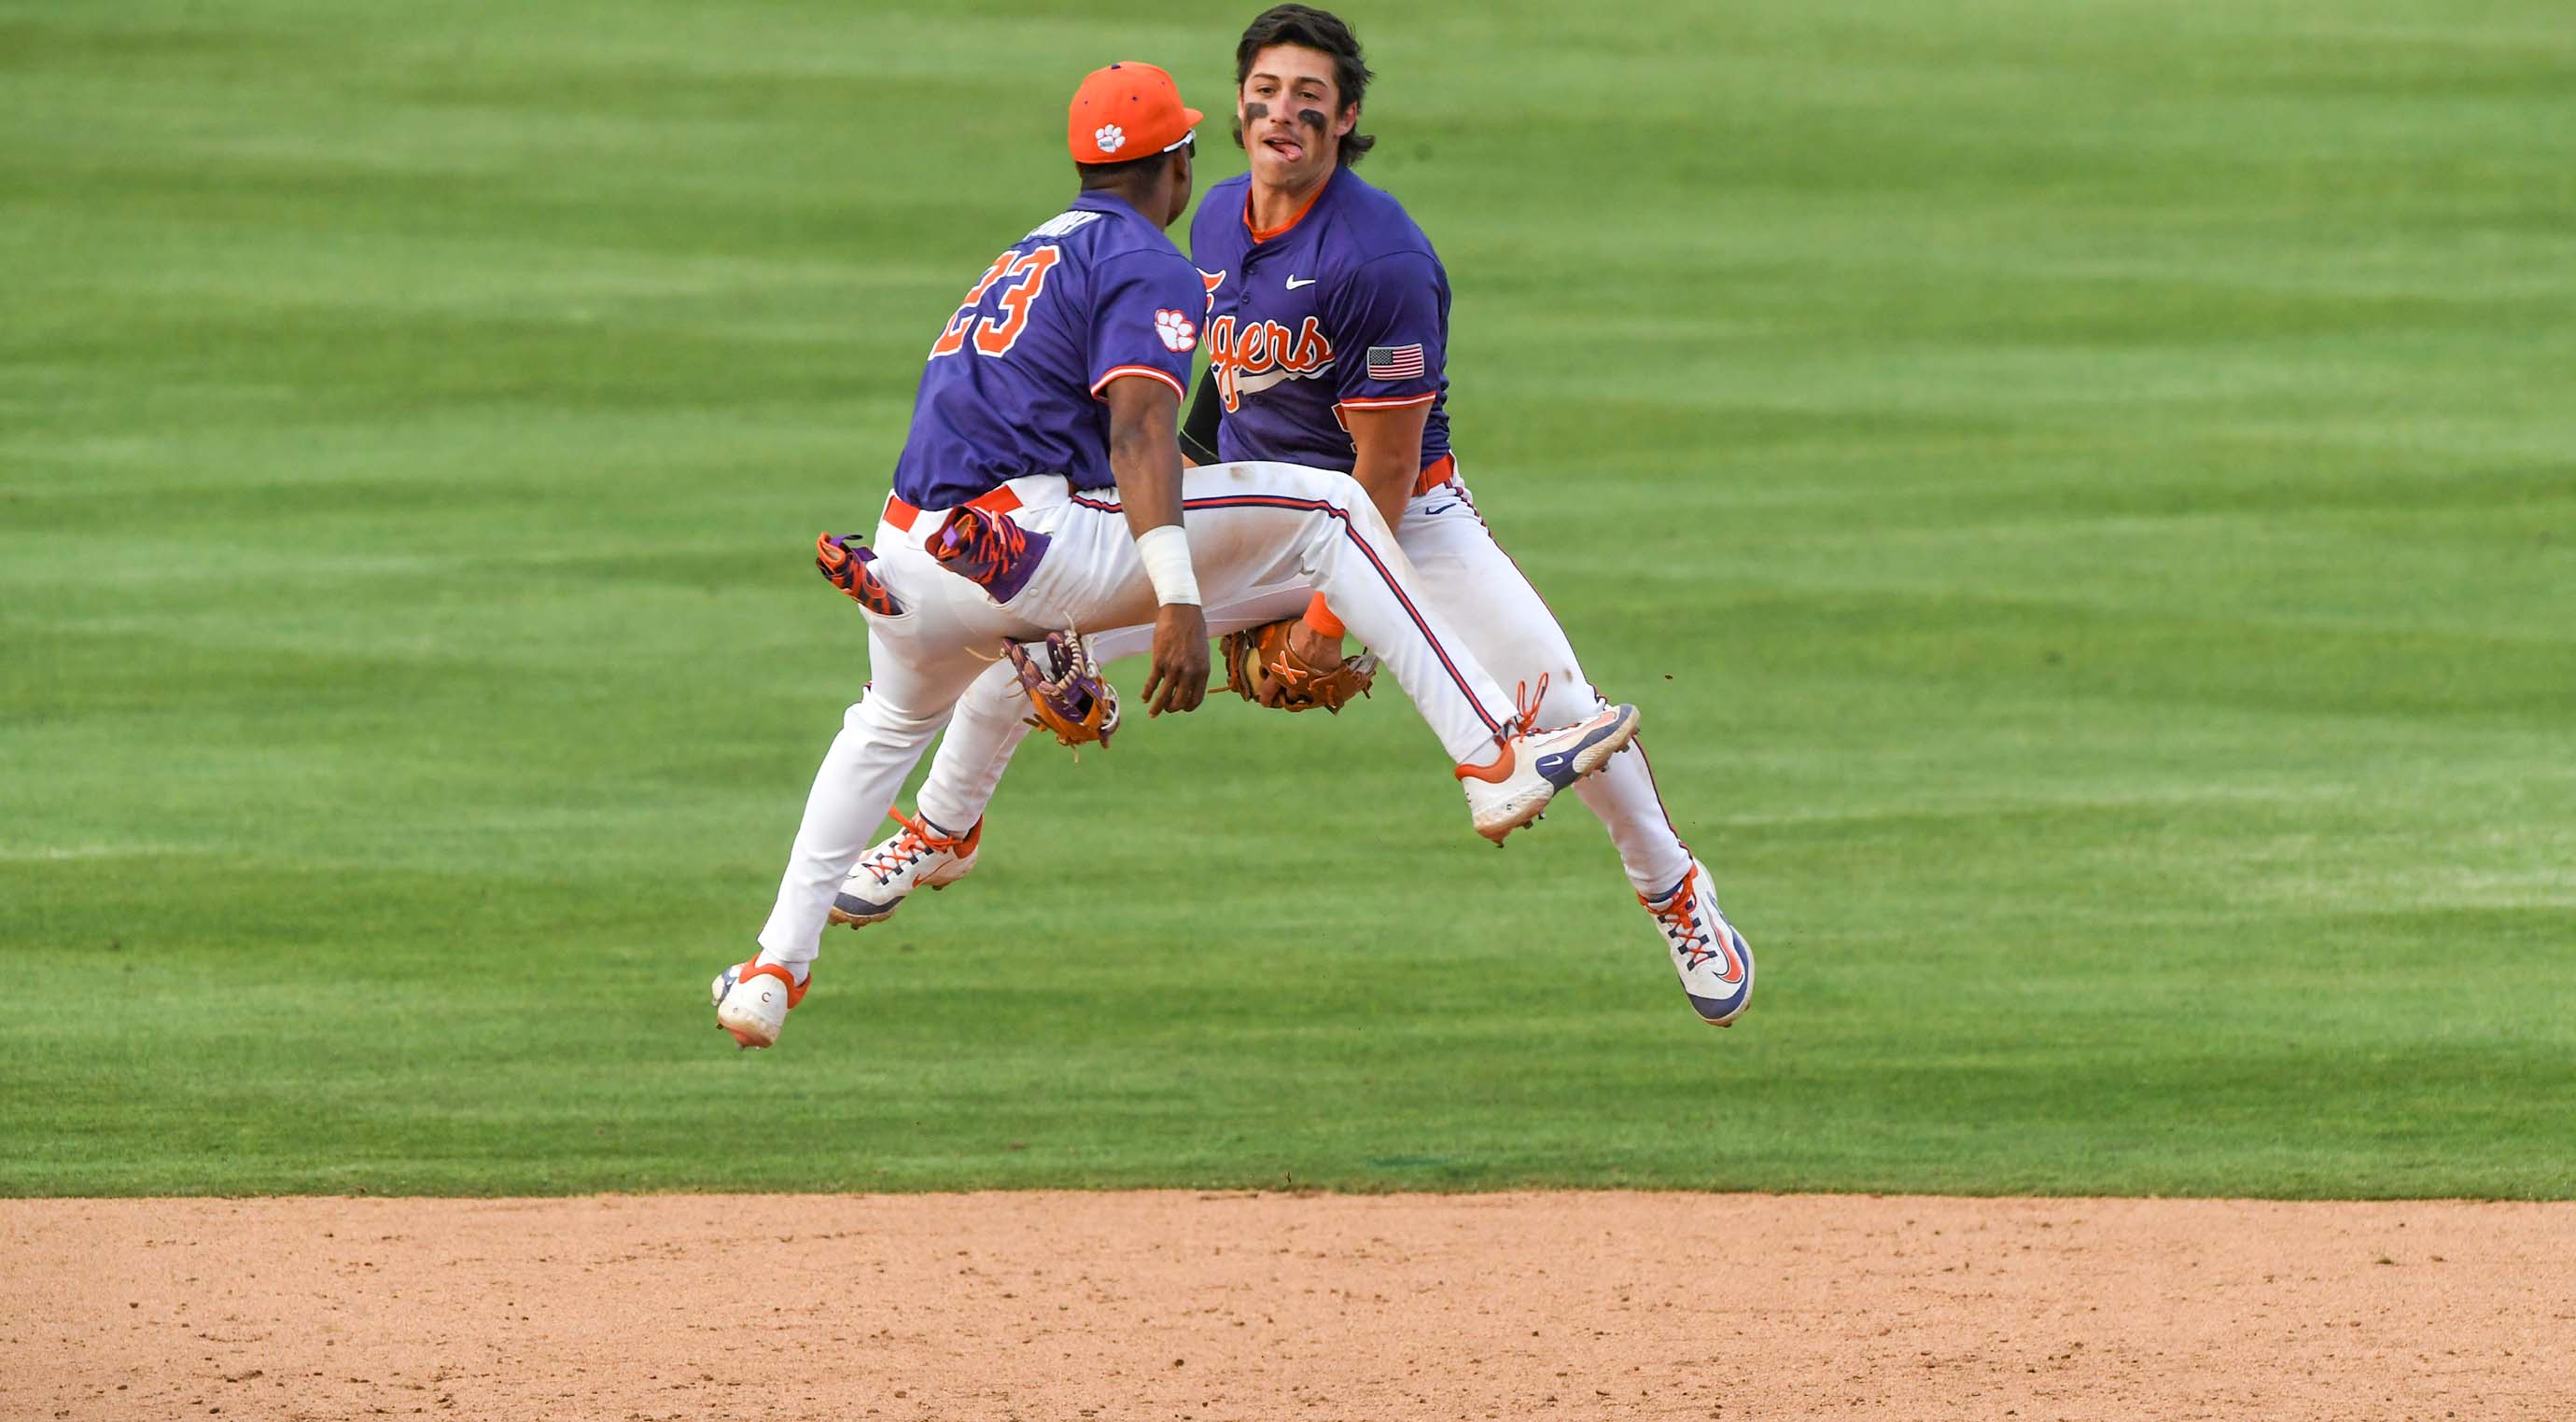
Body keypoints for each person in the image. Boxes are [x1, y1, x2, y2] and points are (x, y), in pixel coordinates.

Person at [827, 8, 1753, 1029]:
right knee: (1031, 635)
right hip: (1256, 509)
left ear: (1345, 119)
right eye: (1265, 93)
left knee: (1562, 707)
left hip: (1407, 521)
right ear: (1236, 108)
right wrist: (1162, 550)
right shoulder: (1217, 219)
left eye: (1310, 98)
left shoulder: (1380, 259)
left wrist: (1320, 626)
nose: (1283, 113)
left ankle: (1674, 890)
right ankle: (943, 832)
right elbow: (1212, 400)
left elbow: (1382, 474)